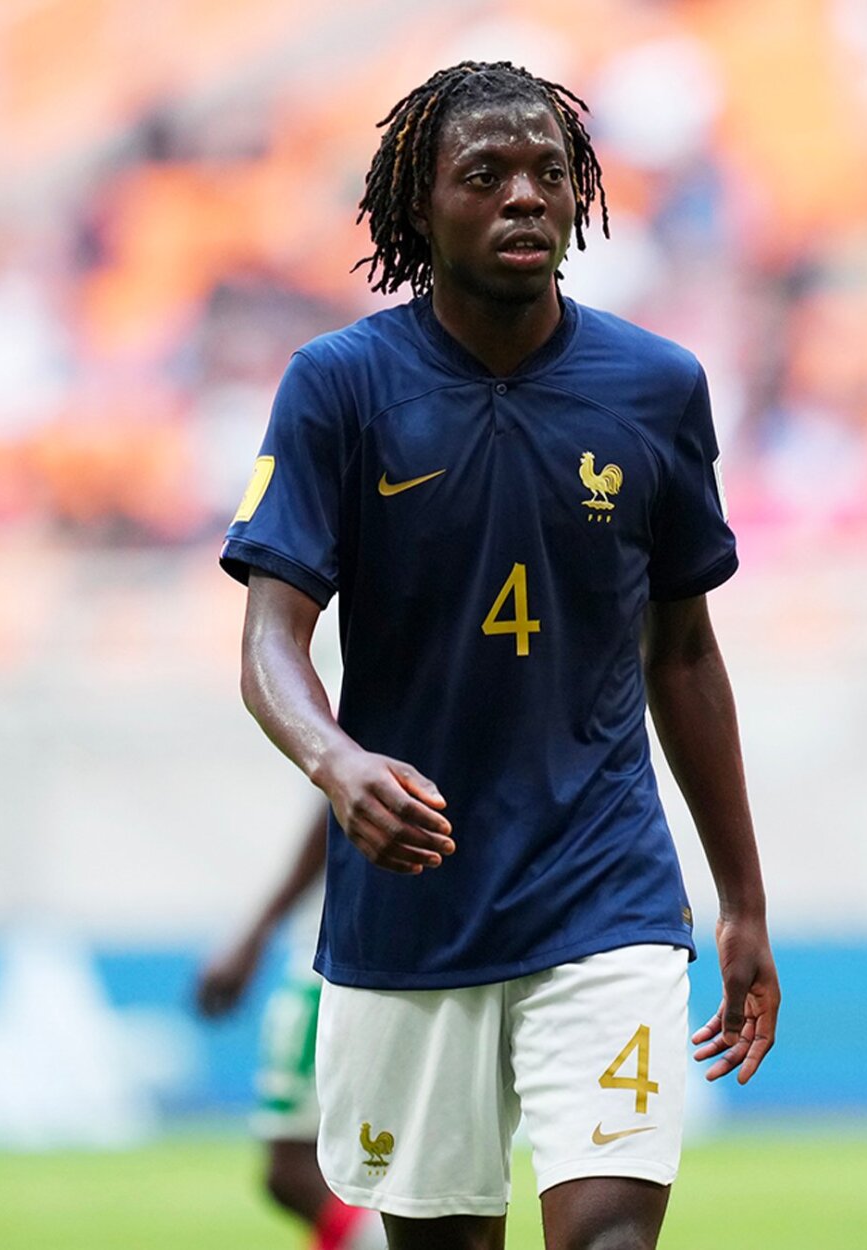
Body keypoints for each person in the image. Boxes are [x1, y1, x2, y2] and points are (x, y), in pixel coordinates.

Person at [219, 60, 780, 1250]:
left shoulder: (657, 387)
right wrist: (335, 762)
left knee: (611, 1235)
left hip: (606, 888)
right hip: (412, 903)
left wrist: (741, 900)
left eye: (549, 172)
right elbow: (270, 637)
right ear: (419, 207)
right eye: (485, 174)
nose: (525, 195)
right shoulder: (340, 387)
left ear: (580, 197)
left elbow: (685, 654)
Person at [195, 801, 386, 1250]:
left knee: (293, 1169)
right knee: (370, 1167)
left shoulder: (356, 762)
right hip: (369, 955)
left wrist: (255, 933)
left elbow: (342, 801)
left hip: (336, 962)